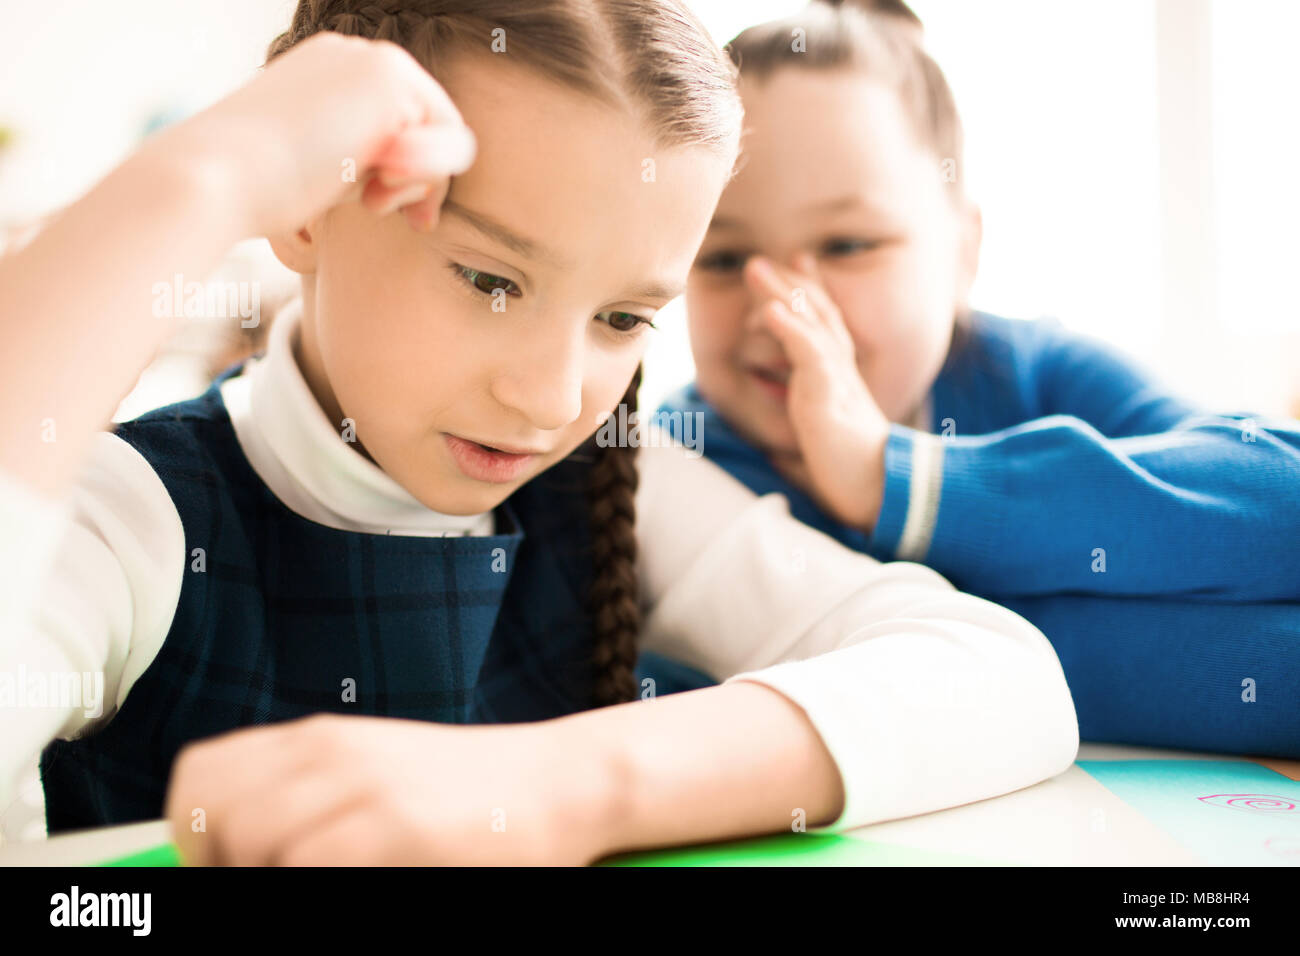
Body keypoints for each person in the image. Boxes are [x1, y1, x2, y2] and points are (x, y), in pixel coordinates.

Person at [0, 0, 1077, 865]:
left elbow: (1002, 675)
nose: (555, 397)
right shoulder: (134, 519)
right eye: (489, 278)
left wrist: (556, 787)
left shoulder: (621, 482)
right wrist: (205, 176)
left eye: (621, 318)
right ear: (306, 209)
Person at [653, 0, 1300, 757]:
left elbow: (1279, 500)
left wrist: (893, 478)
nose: (782, 307)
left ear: (963, 252)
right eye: (723, 259)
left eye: (848, 243)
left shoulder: (1036, 372)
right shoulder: (676, 472)